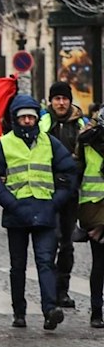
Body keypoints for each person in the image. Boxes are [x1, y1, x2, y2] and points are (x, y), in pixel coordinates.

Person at [0, 94, 78, 330]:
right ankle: (19, 312)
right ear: (15, 119)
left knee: (46, 262)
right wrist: (10, 202)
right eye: (23, 117)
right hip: (16, 212)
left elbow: (69, 172)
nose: (27, 121)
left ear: (37, 119)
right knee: (17, 266)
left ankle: (50, 309)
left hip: (45, 211)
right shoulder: (4, 143)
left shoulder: (49, 143)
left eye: (31, 117)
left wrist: (55, 202)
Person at [39, 81, 87, 309]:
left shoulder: (81, 124)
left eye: (64, 99)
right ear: (51, 101)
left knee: (66, 244)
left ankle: (62, 290)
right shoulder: (42, 123)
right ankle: (49, 291)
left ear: (70, 100)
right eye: (57, 99)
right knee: (49, 243)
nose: (60, 103)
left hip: (71, 192)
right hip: (46, 191)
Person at [74, 107, 104, 327]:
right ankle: (96, 311)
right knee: (99, 264)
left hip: (93, 210)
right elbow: (78, 173)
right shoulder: (86, 142)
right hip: (95, 210)